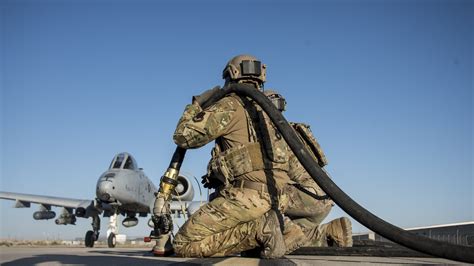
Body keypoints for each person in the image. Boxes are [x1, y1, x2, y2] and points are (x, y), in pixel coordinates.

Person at [172, 54, 293, 258]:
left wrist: (197, 105)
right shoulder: (270, 111)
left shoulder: (232, 104)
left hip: (249, 198)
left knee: (184, 243)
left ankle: (260, 230)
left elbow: (184, 137)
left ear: (231, 76)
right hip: (278, 198)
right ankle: (286, 230)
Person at [263, 90, 353, 249]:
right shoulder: (291, 131)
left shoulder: (270, 136)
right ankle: (328, 233)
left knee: (253, 198)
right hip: (324, 197)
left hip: (305, 197)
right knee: (289, 234)